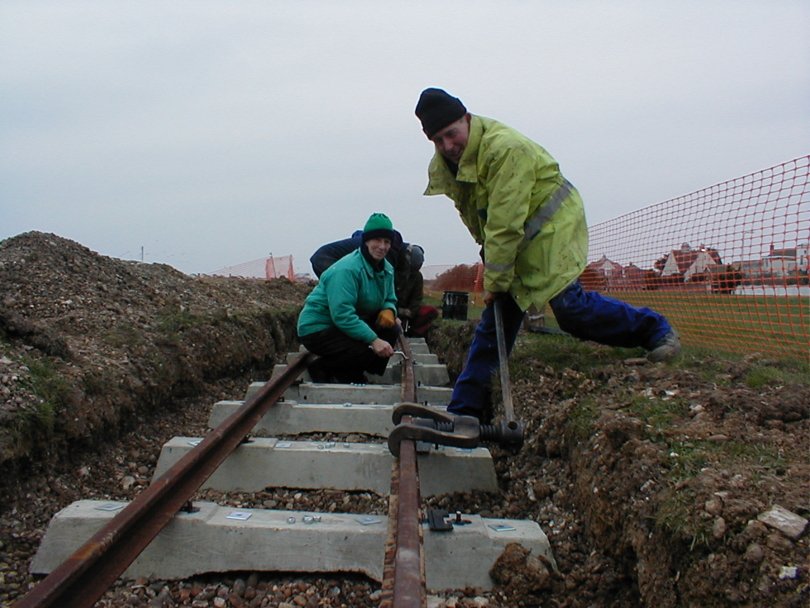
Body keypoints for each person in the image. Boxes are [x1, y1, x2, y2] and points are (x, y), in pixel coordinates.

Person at [414, 87, 681, 421]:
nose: (447, 146)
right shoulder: (448, 166)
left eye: (451, 134)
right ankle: (464, 412)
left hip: (552, 222)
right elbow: (474, 213)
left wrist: (495, 279)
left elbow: (505, 222)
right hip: (515, 232)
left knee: (569, 309)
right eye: (437, 140)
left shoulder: (505, 149)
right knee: (496, 322)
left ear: (467, 120)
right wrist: (490, 256)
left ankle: (655, 329)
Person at [296, 213, 400, 383]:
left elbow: (390, 297)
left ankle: (350, 369)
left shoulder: (386, 269)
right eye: (377, 240)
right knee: (363, 349)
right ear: (366, 241)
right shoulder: (347, 269)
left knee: (392, 328)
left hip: (343, 325)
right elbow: (342, 314)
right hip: (319, 329)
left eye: (387, 242)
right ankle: (323, 368)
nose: (382, 246)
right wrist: (374, 340)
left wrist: (389, 309)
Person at [310, 233, 439, 337]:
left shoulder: (393, 252)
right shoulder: (388, 255)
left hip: (323, 258)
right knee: (346, 300)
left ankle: (348, 327)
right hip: (324, 260)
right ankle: (341, 329)